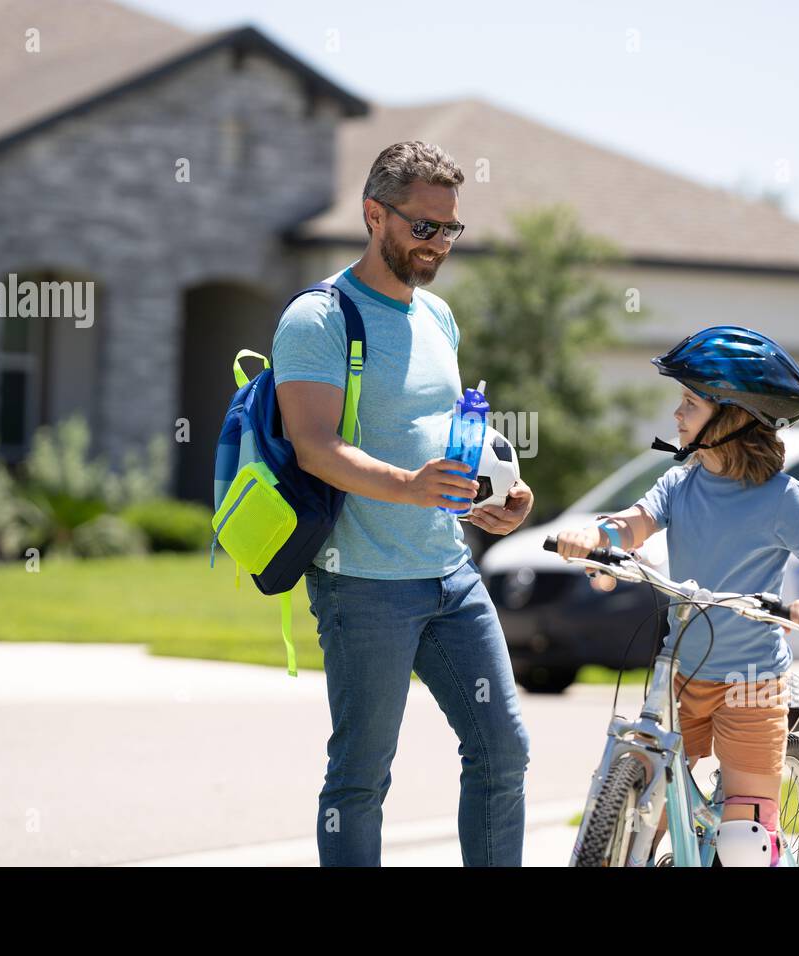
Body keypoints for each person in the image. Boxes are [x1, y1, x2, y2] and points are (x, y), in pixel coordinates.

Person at [271, 141, 535, 867]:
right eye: (424, 228)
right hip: (362, 584)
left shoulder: (439, 318)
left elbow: (451, 433)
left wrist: (497, 497)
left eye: (450, 229)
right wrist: (410, 486)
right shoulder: (319, 319)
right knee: (361, 778)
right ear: (373, 215)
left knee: (503, 752)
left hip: (449, 575)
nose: (439, 244)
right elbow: (314, 445)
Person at [554, 326, 799, 866]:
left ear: (733, 417)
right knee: (637, 806)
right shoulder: (680, 484)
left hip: (750, 682)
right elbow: (633, 524)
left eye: (690, 403)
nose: (677, 415)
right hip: (681, 670)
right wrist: (597, 539)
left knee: (744, 842)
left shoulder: (783, 499)